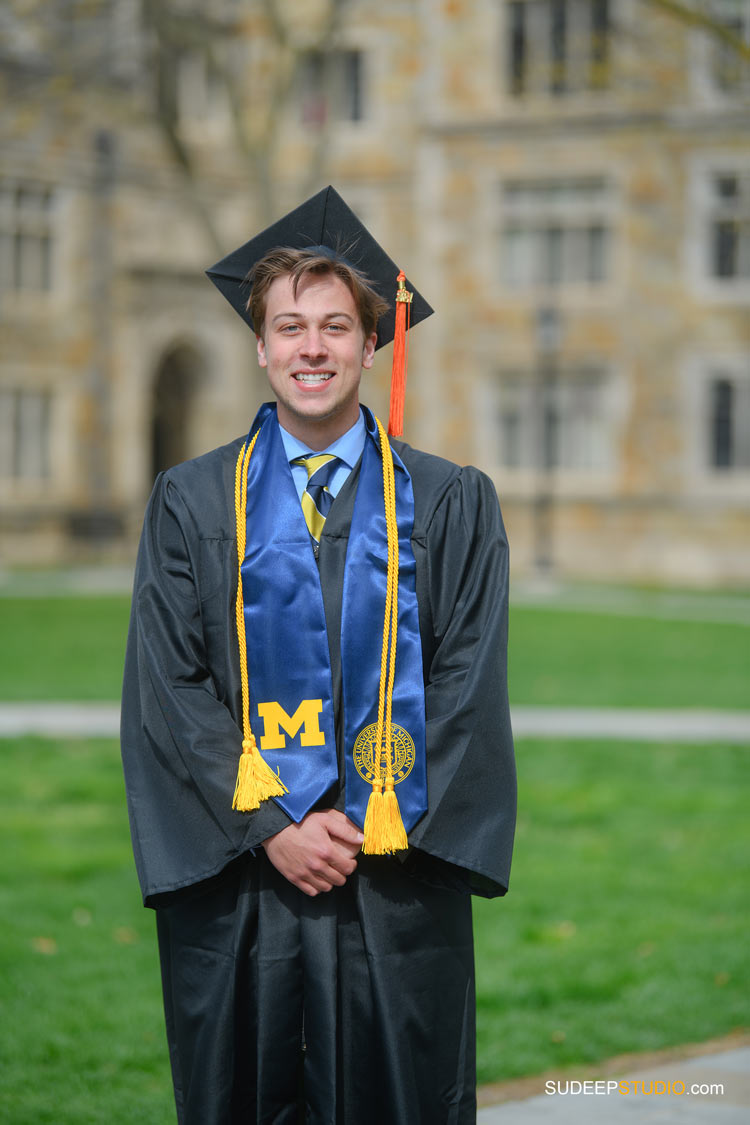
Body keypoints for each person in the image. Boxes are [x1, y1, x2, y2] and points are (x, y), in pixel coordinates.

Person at [121, 186, 516, 1125]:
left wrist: (367, 813)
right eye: (289, 327)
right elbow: (170, 685)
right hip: (245, 877)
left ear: (372, 344)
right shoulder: (190, 500)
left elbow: (465, 685)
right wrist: (275, 824)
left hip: (391, 873)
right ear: (258, 346)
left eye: (336, 326)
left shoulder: (453, 501)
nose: (312, 348)